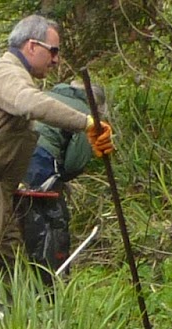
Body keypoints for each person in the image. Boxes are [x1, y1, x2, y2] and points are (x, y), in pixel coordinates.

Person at [0, 15, 114, 283]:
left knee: (8, 279)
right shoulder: (6, 73)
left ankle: (4, 326)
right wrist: (87, 122)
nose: (56, 60)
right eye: (53, 51)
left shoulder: (16, 75)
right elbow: (30, 103)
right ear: (31, 46)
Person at [18, 80, 102, 281]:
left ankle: (14, 272)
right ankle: (46, 277)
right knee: (43, 219)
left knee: (16, 212)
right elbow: (75, 162)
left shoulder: (49, 95)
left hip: (12, 149)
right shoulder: (85, 114)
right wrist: (62, 178)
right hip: (40, 159)